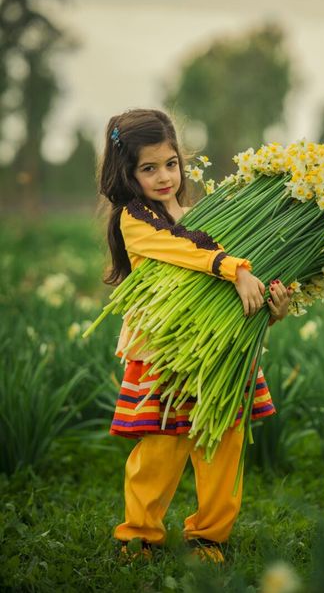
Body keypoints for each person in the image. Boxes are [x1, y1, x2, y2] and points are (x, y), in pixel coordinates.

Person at [98, 108, 293, 563]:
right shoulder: (135, 221)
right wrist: (235, 268)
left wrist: (272, 307)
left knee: (222, 447)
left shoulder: (207, 215)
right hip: (162, 352)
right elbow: (184, 249)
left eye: (171, 163)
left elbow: (238, 297)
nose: (164, 176)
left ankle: (209, 537)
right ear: (127, 173)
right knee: (160, 449)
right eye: (149, 168)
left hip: (222, 352)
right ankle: (139, 535)